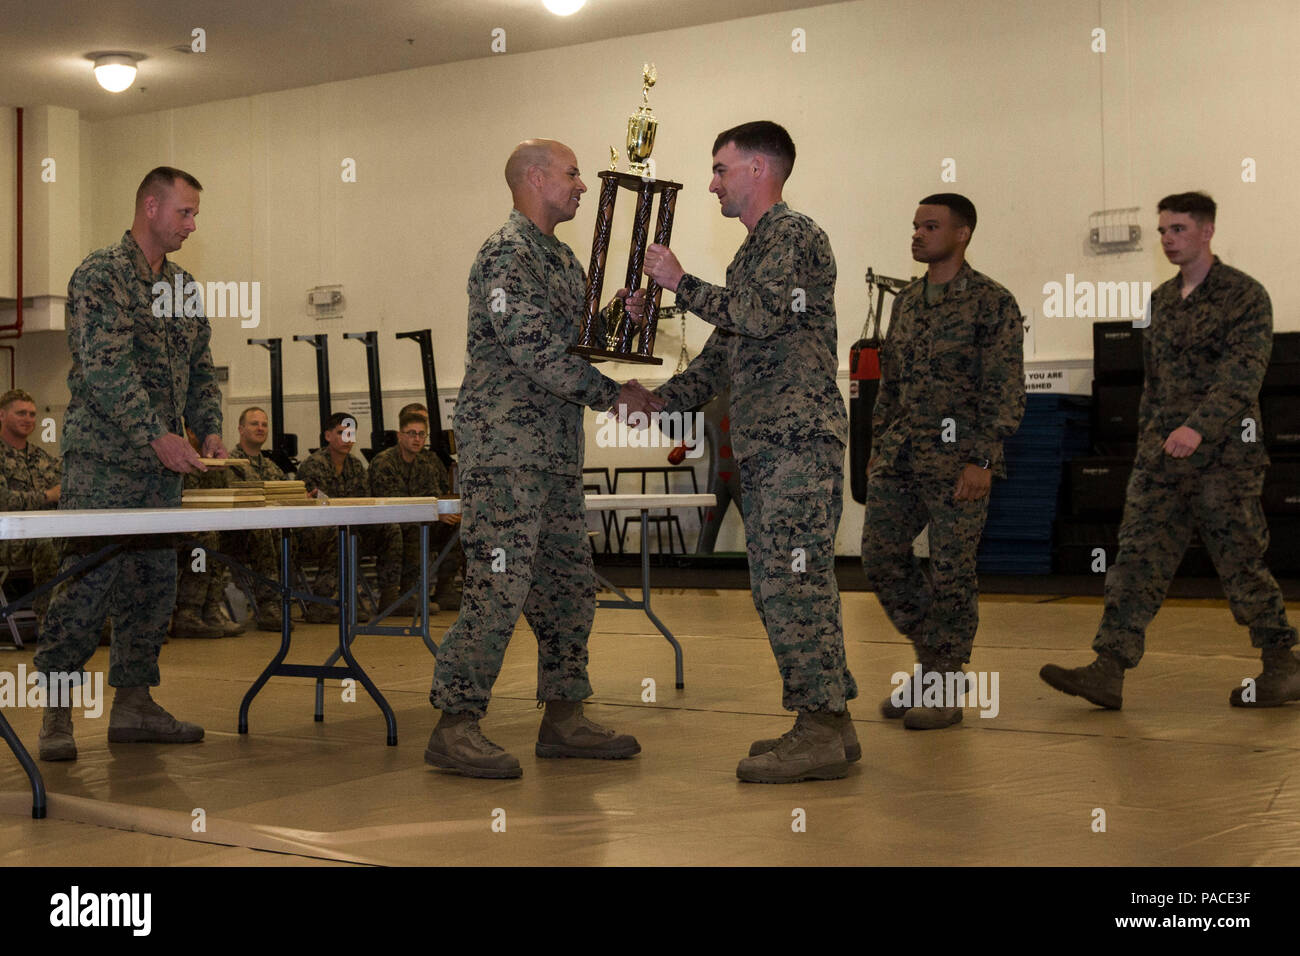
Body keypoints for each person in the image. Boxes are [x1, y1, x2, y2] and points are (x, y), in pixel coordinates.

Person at [425, 137, 660, 779]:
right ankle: (456, 724)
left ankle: (564, 717)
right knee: (497, 588)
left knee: (568, 589)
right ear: (535, 177)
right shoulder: (505, 254)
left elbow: (572, 343)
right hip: (504, 454)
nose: (583, 186)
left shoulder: (559, 258)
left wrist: (617, 314)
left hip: (553, 454)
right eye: (573, 173)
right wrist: (615, 398)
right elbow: (533, 351)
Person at [643, 120, 856, 783]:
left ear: (759, 169)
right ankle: (829, 723)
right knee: (780, 587)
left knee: (792, 584)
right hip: (769, 448)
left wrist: (680, 282)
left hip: (797, 443)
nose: (711, 183)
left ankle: (819, 727)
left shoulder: (794, 237)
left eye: (719, 168)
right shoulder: (753, 254)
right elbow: (722, 361)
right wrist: (653, 400)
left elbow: (759, 316)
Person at [1041, 192, 1299, 709]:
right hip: (1162, 461)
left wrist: (1197, 429)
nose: (1168, 239)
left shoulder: (1244, 296)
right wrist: (1146, 449)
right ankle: (1108, 669)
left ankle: (1282, 663)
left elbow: (1243, 376)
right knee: (1135, 560)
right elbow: (1152, 386)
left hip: (1225, 460)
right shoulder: (1159, 301)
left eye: (1178, 229)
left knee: (1239, 561)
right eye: (1162, 231)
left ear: (1206, 231)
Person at [35, 165, 224, 761]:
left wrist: (210, 427)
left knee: (152, 586)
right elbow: (104, 368)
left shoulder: (184, 287)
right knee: (86, 585)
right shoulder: (100, 275)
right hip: (104, 463)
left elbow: (199, 365)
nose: (192, 224)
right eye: (184, 212)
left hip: (159, 470)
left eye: (195, 214)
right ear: (150, 206)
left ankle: (134, 704)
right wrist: (155, 435)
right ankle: (57, 715)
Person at [861, 194, 1026, 729]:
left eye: (930, 226)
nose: (917, 235)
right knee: (880, 557)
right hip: (902, 457)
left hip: (961, 465)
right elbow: (890, 383)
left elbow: (1005, 390)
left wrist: (982, 458)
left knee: (952, 573)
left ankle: (945, 682)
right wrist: (878, 448)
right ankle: (936, 661)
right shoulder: (907, 302)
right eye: (914, 226)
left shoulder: (991, 302)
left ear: (963, 234)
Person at [296, 412, 402, 622]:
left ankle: (390, 595)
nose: (347, 439)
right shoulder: (313, 465)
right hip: (314, 533)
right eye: (341, 433)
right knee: (339, 532)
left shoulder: (355, 465)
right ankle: (324, 602)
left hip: (350, 528)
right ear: (327, 436)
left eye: (351, 434)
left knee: (391, 528)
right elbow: (320, 506)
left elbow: (363, 502)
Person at [368, 408, 462, 614]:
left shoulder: (427, 462)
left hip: (423, 520)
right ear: (400, 436)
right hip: (388, 525)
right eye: (411, 433)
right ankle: (396, 596)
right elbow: (394, 506)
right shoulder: (385, 462)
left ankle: (445, 589)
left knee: (456, 525)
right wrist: (435, 513)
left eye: (421, 434)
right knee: (411, 527)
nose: (417, 439)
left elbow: (437, 496)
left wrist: (447, 513)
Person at [172, 428, 243, 638]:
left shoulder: (216, 465)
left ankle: (211, 607)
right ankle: (189, 610)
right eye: (196, 431)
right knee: (204, 544)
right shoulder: (178, 460)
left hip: (206, 531)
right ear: (189, 434)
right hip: (181, 533)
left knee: (220, 537)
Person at [228, 406, 293, 630]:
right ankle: (269, 606)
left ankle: (290, 598)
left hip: (269, 532)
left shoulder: (272, 467)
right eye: (254, 424)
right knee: (264, 530)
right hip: (237, 535)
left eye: (264, 424)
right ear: (241, 429)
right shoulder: (231, 463)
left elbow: (286, 494)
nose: (261, 428)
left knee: (291, 532)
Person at [0, 388, 62, 625]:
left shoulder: (41, 457)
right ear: (2, 415)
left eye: (32, 414)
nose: (28, 419)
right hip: (8, 538)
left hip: (41, 532)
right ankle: (49, 622)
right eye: (21, 413)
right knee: (49, 545)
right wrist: (47, 496)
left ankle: (90, 622)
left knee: (82, 543)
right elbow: (4, 500)